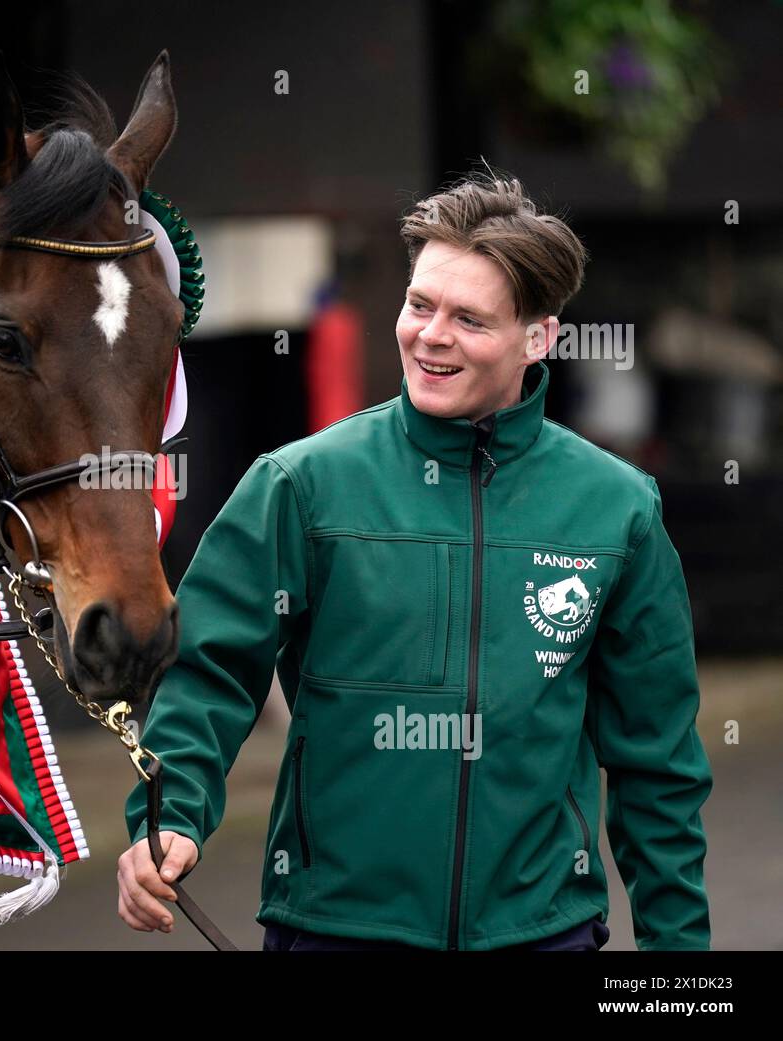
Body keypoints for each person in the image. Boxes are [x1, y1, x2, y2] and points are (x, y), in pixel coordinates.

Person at [117, 174, 713, 951]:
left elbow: (657, 765)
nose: (431, 335)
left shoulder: (618, 509)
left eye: (470, 318)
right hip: (334, 930)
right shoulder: (300, 485)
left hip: (543, 934)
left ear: (540, 338)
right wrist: (172, 814)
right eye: (419, 304)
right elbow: (206, 670)